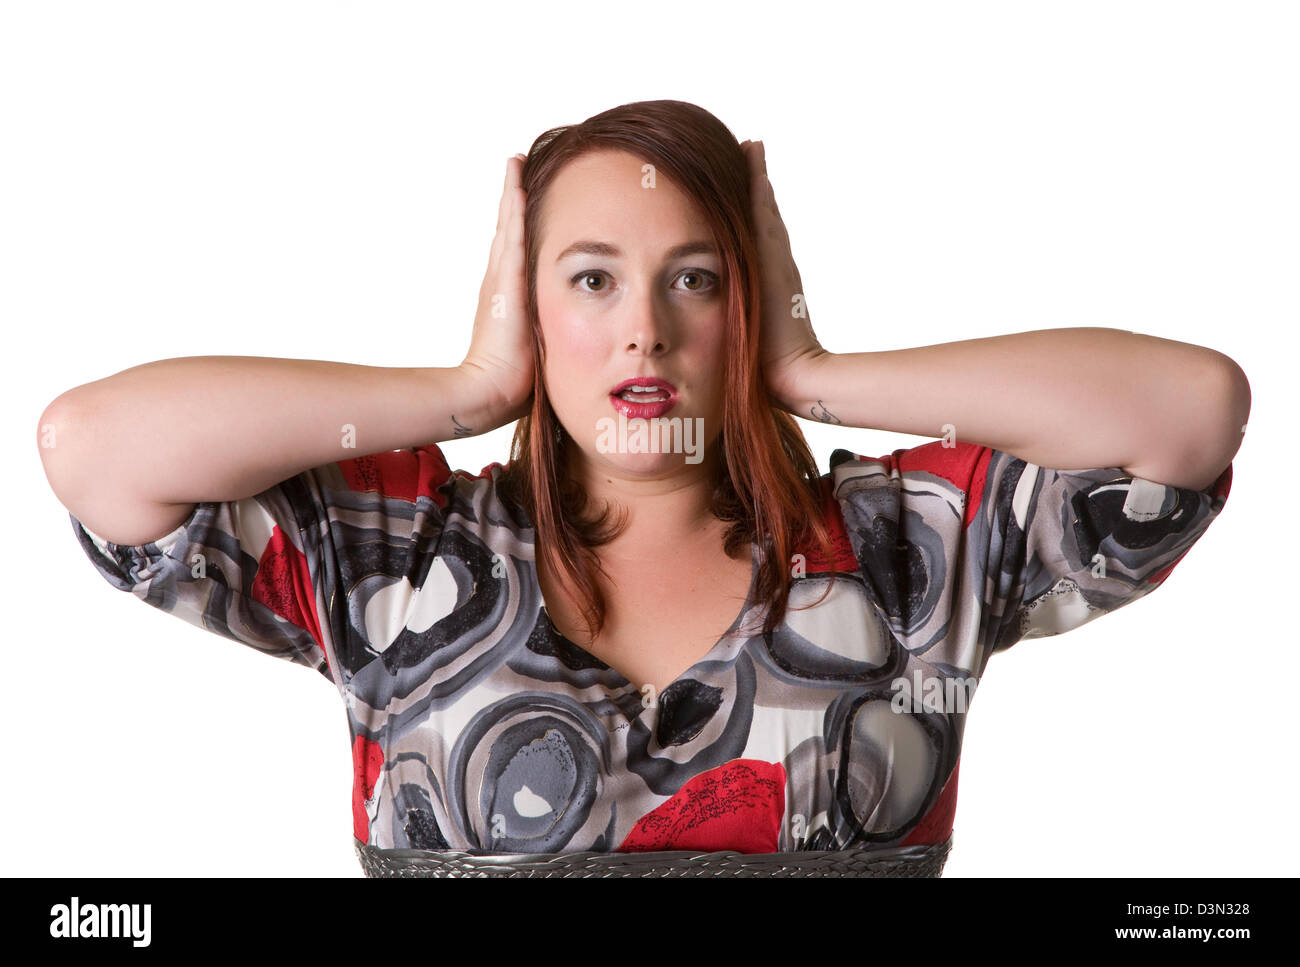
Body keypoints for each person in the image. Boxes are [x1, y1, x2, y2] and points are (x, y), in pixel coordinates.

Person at [37, 99, 1245, 877]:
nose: (644, 336)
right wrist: (464, 392)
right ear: (530, 309)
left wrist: (812, 372)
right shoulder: (402, 557)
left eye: (696, 281)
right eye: (592, 280)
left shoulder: (907, 553)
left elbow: (1187, 414)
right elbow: (92, 450)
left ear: (746, 303)